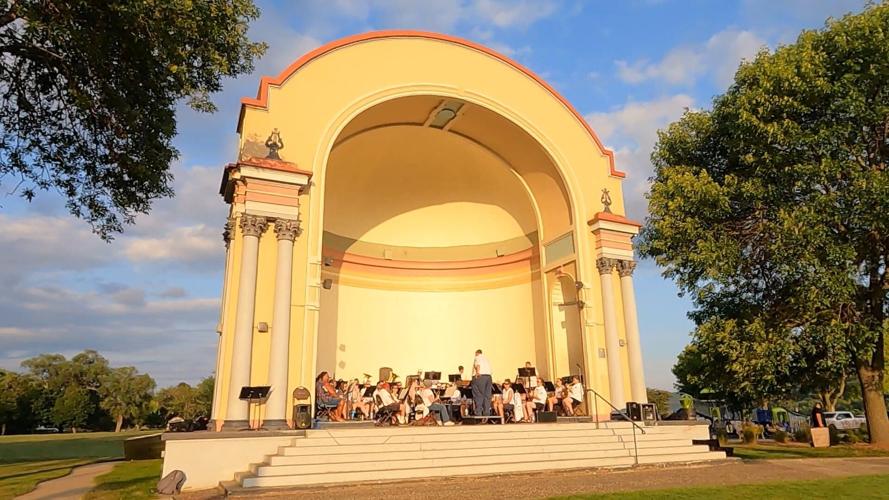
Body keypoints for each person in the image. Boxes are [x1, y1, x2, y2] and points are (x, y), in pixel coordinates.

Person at [471, 349, 493, 417]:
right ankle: (487, 412)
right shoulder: (486, 359)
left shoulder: (477, 357)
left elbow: (478, 365)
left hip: (480, 376)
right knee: (487, 395)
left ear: (477, 353)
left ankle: (479, 412)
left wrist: (477, 373)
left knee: (478, 394)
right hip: (489, 377)